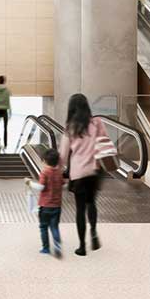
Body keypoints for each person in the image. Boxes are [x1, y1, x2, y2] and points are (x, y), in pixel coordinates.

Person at [59, 93, 107, 257]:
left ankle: (82, 247)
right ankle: (93, 232)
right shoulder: (97, 123)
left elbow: (63, 155)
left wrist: (57, 171)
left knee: (80, 209)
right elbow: (105, 142)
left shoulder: (70, 128)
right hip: (95, 171)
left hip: (78, 173)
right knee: (91, 203)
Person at [34, 148, 63, 257]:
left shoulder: (45, 172)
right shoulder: (59, 172)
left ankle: (46, 248)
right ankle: (57, 245)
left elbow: (41, 187)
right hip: (57, 206)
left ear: (45, 160)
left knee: (43, 227)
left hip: (45, 206)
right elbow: (63, 184)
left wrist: (29, 183)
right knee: (54, 226)